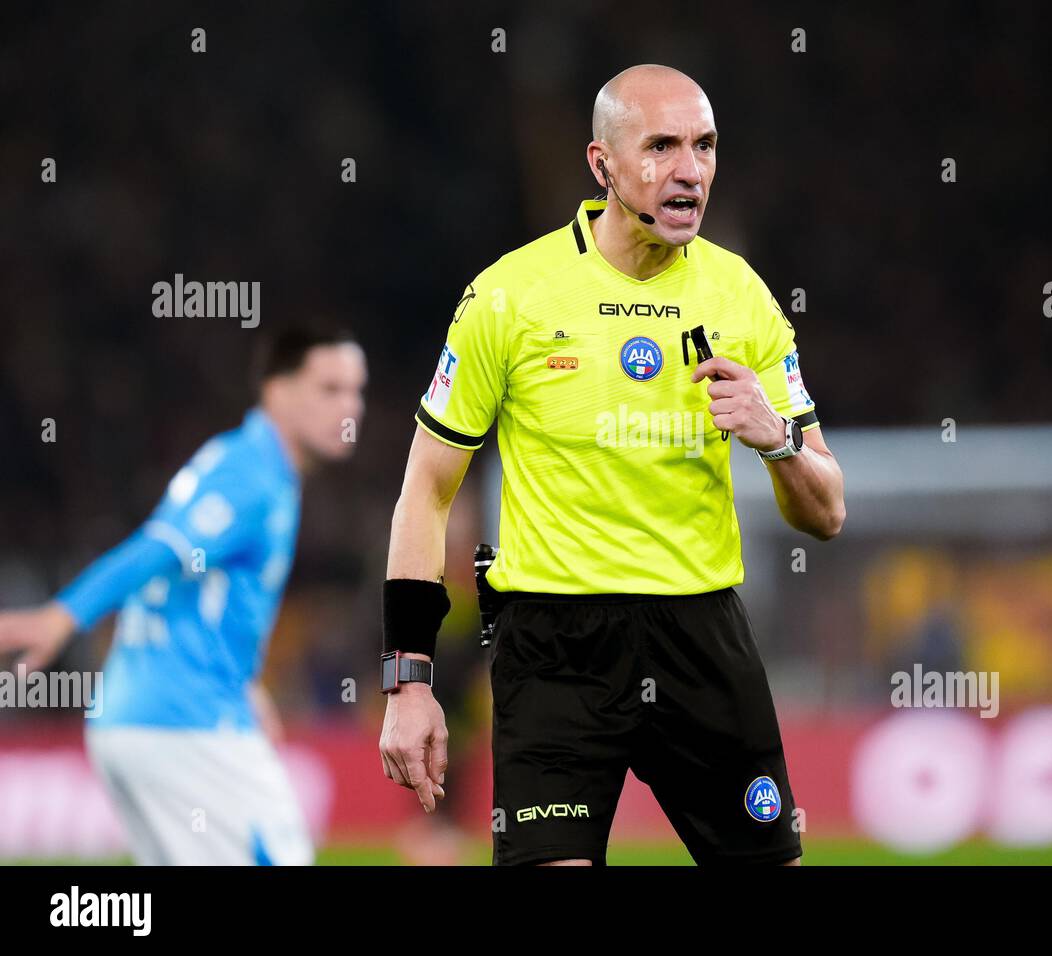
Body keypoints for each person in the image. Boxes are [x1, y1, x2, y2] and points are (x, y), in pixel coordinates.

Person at [379, 64, 845, 866]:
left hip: (700, 637)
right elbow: (426, 488)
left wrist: (776, 440)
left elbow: (826, 512)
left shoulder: (743, 298)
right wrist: (408, 681)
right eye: (661, 146)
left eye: (703, 146)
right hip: (556, 646)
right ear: (602, 165)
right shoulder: (509, 297)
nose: (689, 170)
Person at [0, 326, 367, 865]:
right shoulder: (253, 476)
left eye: (356, 390)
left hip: (138, 717)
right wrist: (65, 613)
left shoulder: (234, 458)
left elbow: (197, 583)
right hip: (182, 719)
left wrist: (244, 685)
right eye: (330, 389)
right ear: (277, 390)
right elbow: (159, 550)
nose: (349, 407)